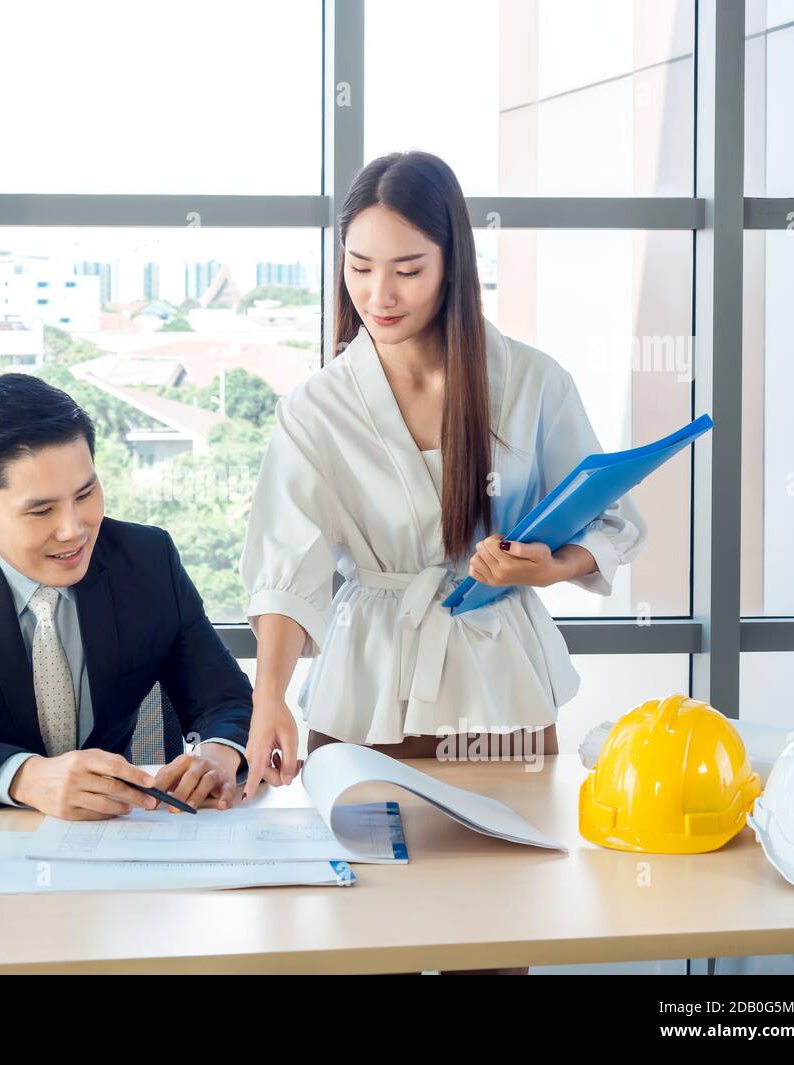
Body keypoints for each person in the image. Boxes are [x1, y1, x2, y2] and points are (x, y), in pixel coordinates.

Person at [239, 151, 647, 973]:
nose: (378, 296)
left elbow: (611, 517)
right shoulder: (318, 405)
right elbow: (288, 562)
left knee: (497, 936)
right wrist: (271, 695)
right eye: (358, 267)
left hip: (501, 689)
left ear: (452, 265)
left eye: (406, 269)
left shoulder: (530, 381)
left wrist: (547, 567)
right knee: (361, 935)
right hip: (363, 694)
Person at [0, 373, 251, 820]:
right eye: (41, 510)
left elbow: (224, 697)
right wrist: (25, 777)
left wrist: (218, 756)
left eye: (86, 494)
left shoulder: (147, 561)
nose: (74, 529)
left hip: (116, 839)